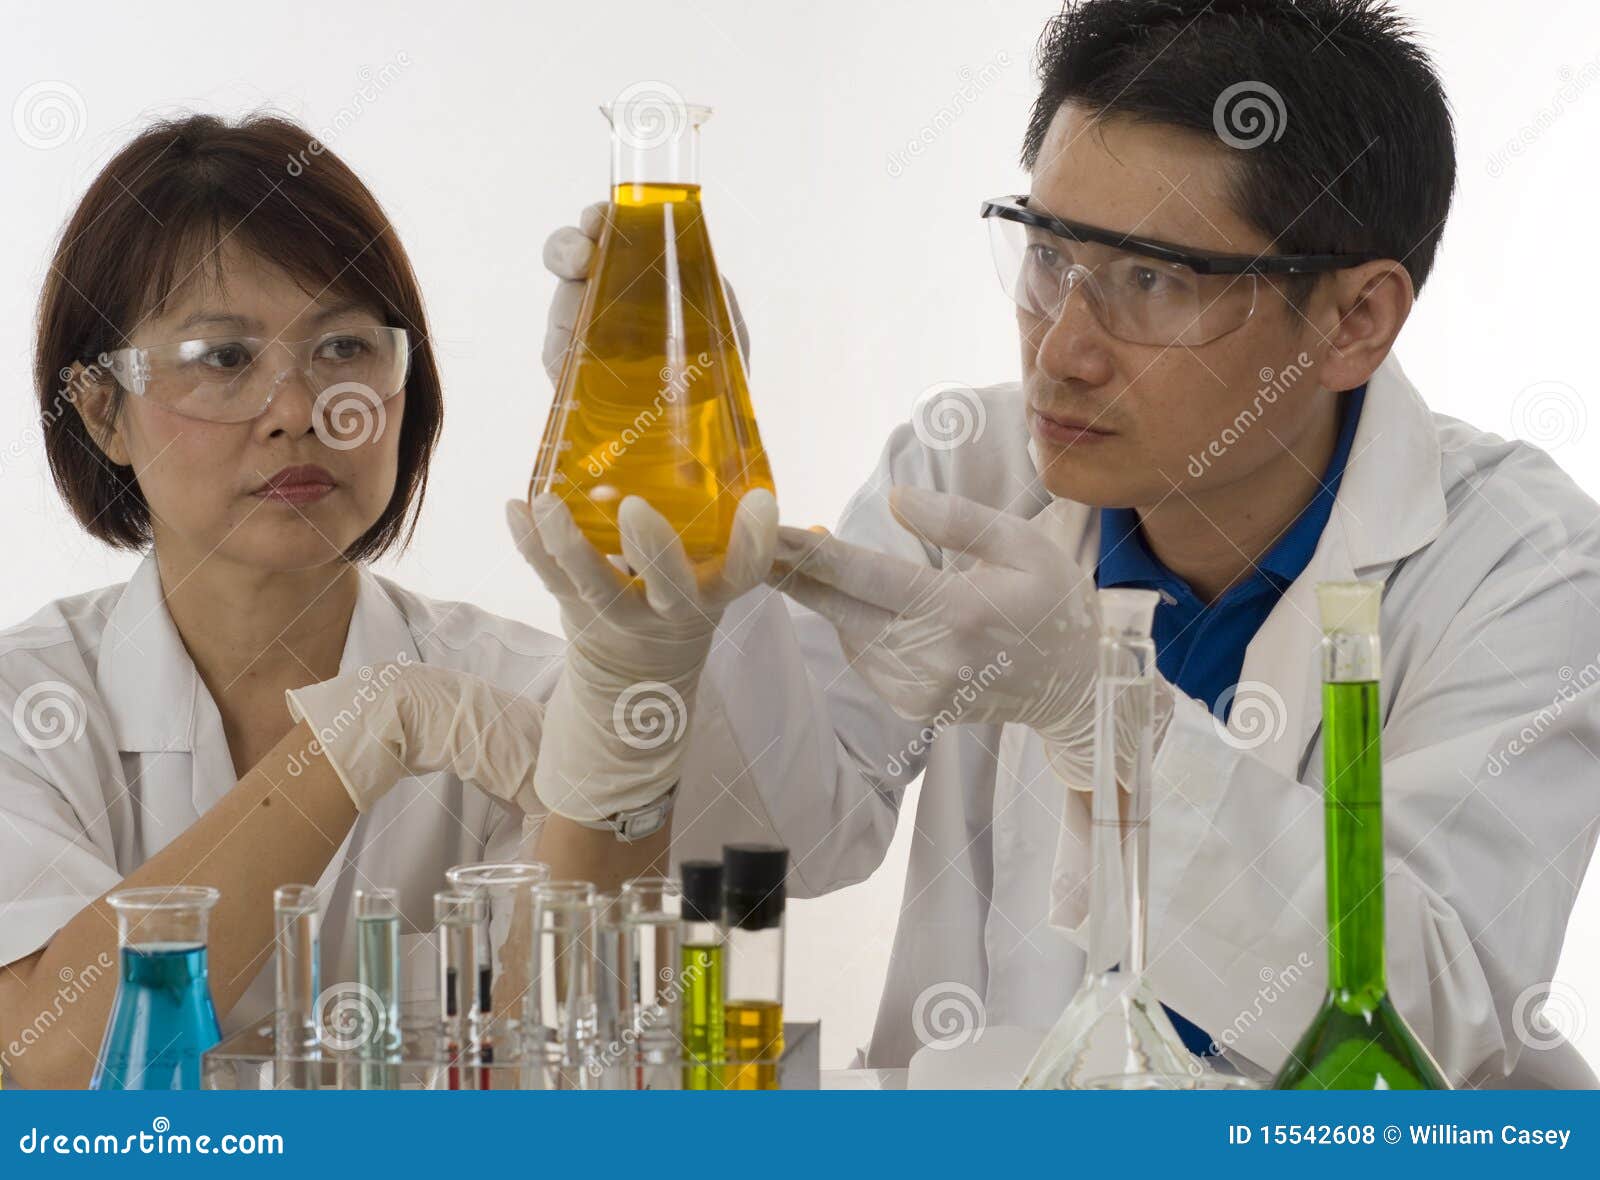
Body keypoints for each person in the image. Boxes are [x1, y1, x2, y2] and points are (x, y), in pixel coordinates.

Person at [522, 0, 1600, 1087]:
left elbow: (1435, 1017)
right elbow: (778, 844)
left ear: (1354, 319)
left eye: (1153, 280)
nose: (1063, 353)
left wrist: (1101, 719)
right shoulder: (962, 470)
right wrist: (674, 614)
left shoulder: (1522, 562)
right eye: (1047, 254)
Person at [0, 113, 776, 1089]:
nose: (299, 411)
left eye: (343, 348)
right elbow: (55, 1054)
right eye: (225, 358)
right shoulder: (27, 707)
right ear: (101, 409)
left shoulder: (528, 696)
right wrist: (354, 743)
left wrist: (618, 757)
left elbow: (560, 1073)